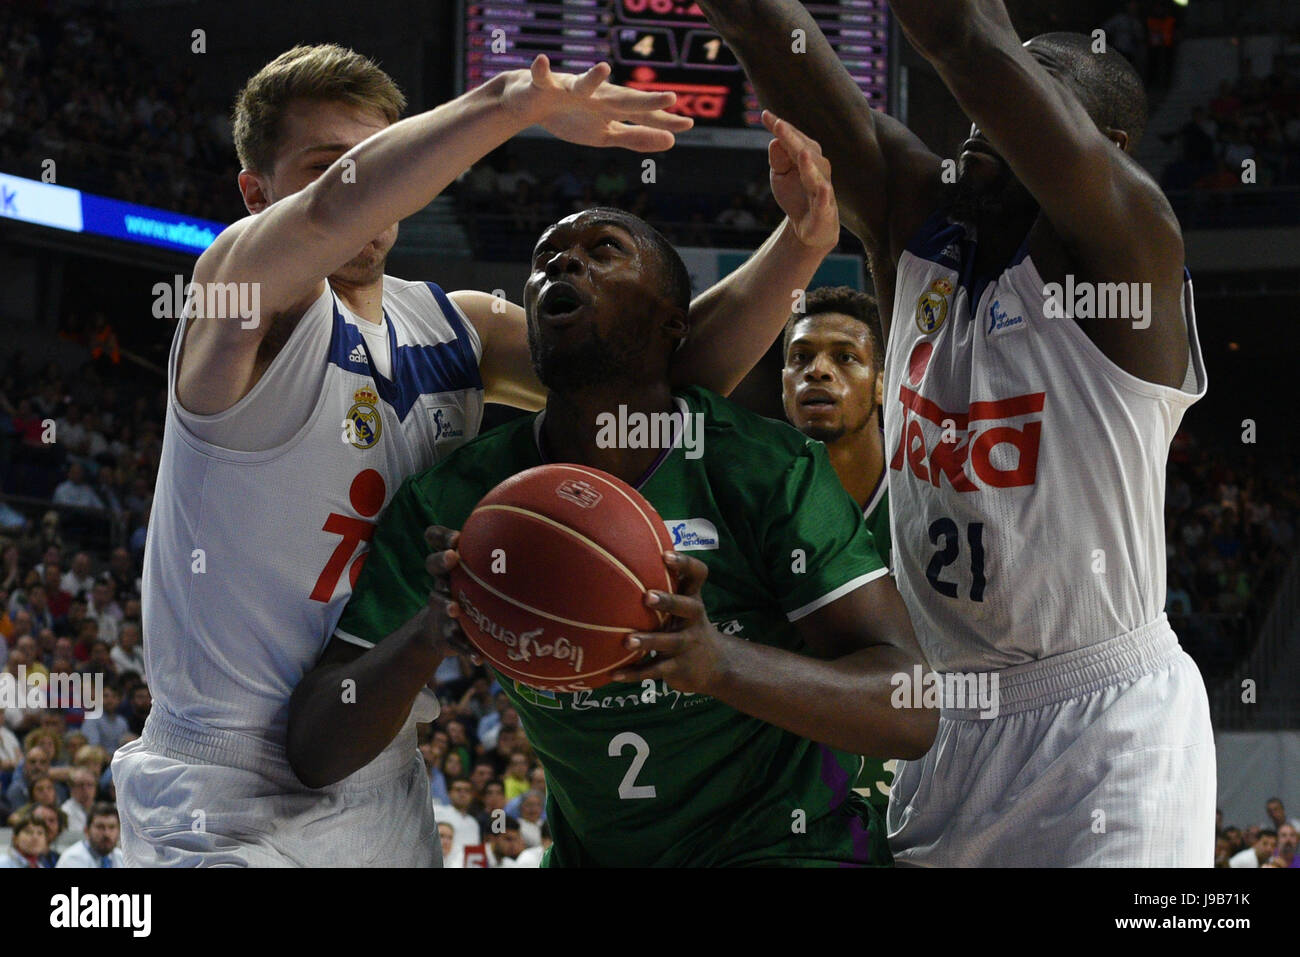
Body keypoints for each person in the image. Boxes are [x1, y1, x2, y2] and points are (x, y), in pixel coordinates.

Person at [112, 42, 844, 869]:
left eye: (376, 161)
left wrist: (802, 242)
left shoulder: (456, 328)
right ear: (255, 192)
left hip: (379, 771)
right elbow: (322, 219)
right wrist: (510, 104)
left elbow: (647, 381)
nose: (362, 190)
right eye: (327, 167)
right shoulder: (237, 298)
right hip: (224, 787)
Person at [698, 0, 1213, 865]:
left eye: (1036, 84)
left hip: (1109, 728)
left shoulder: (1133, 248)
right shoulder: (916, 228)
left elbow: (963, 36)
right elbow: (761, 27)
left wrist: (990, 50)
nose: (986, 109)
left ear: (1107, 149)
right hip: (946, 724)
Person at [288, 202, 937, 866]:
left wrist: (721, 665)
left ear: (672, 321)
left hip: (787, 847)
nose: (563, 263)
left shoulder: (761, 468)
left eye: (603, 250)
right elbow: (314, 748)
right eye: (545, 259)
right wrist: (429, 631)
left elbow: (910, 707)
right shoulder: (457, 500)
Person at [780, 285, 897, 816]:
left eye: (845, 357)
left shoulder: (932, 506)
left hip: (931, 803)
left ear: (881, 385)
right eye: (800, 358)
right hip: (796, 814)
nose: (818, 371)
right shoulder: (754, 513)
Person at [54, 803, 125, 868]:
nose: (107, 833)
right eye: (100, 827)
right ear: (86, 830)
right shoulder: (72, 860)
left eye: (111, 827)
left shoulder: (122, 858)